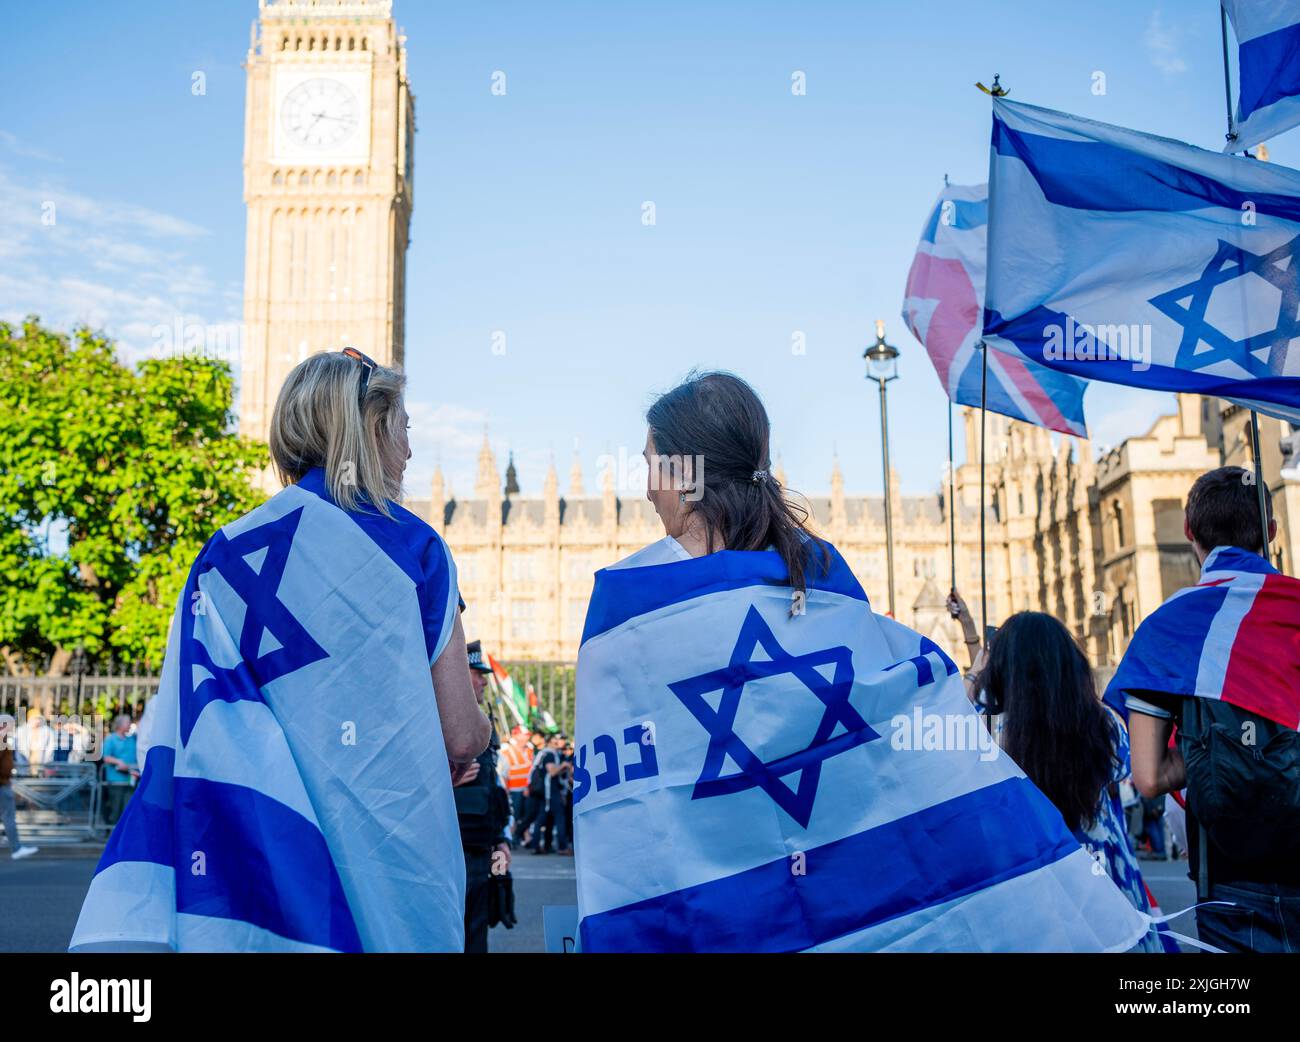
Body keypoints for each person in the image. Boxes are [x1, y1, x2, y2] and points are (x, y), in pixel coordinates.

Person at [572, 371, 1147, 952]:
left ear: (685, 476)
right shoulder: (822, 587)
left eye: (650, 464)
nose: (645, 487)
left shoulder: (637, 622)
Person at [71, 348, 490, 952]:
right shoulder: (415, 548)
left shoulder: (224, 553)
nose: (409, 448)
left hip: (265, 850)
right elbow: (457, 734)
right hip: (389, 860)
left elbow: (191, 722)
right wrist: (475, 735)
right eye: (404, 428)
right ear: (371, 428)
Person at [1113, 466, 1300, 953]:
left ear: (1190, 533)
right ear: (1272, 531)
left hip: (1229, 879)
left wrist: (1206, 748)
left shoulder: (1167, 627)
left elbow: (1148, 777)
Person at [971, 612, 1173, 953]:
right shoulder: (1104, 725)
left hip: (1033, 900)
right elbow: (1124, 766)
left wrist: (976, 672)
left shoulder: (985, 733)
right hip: (1108, 893)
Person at [453, 640, 512, 953]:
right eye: (477, 673)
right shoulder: (438, 721)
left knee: (478, 926)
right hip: (451, 845)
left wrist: (502, 839)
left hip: (481, 845)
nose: (484, 681)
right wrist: (447, 784)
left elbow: (494, 790)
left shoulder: (481, 724)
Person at [0, 714, 38, 860]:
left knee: (8, 817)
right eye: (11, 725)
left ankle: (17, 848)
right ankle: (16, 848)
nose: (13, 728)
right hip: (2, 784)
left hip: (4, 783)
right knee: (9, 817)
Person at [100, 714, 139, 825]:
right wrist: (118, 762)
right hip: (116, 781)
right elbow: (106, 757)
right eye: (127, 722)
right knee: (116, 809)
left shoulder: (132, 739)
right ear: (120, 725)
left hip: (131, 780)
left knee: (128, 809)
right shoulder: (111, 739)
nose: (130, 724)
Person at [498, 726, 532, 846]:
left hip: (528, 788)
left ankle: (524, 837)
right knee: (514, 814)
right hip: (514, 789)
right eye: (523, 734)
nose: (526, 737)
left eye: (527, 735)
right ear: (515, 735)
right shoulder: (506, 752)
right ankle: (511, 838)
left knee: (527, 814)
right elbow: (503, 772)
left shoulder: (529, 750)